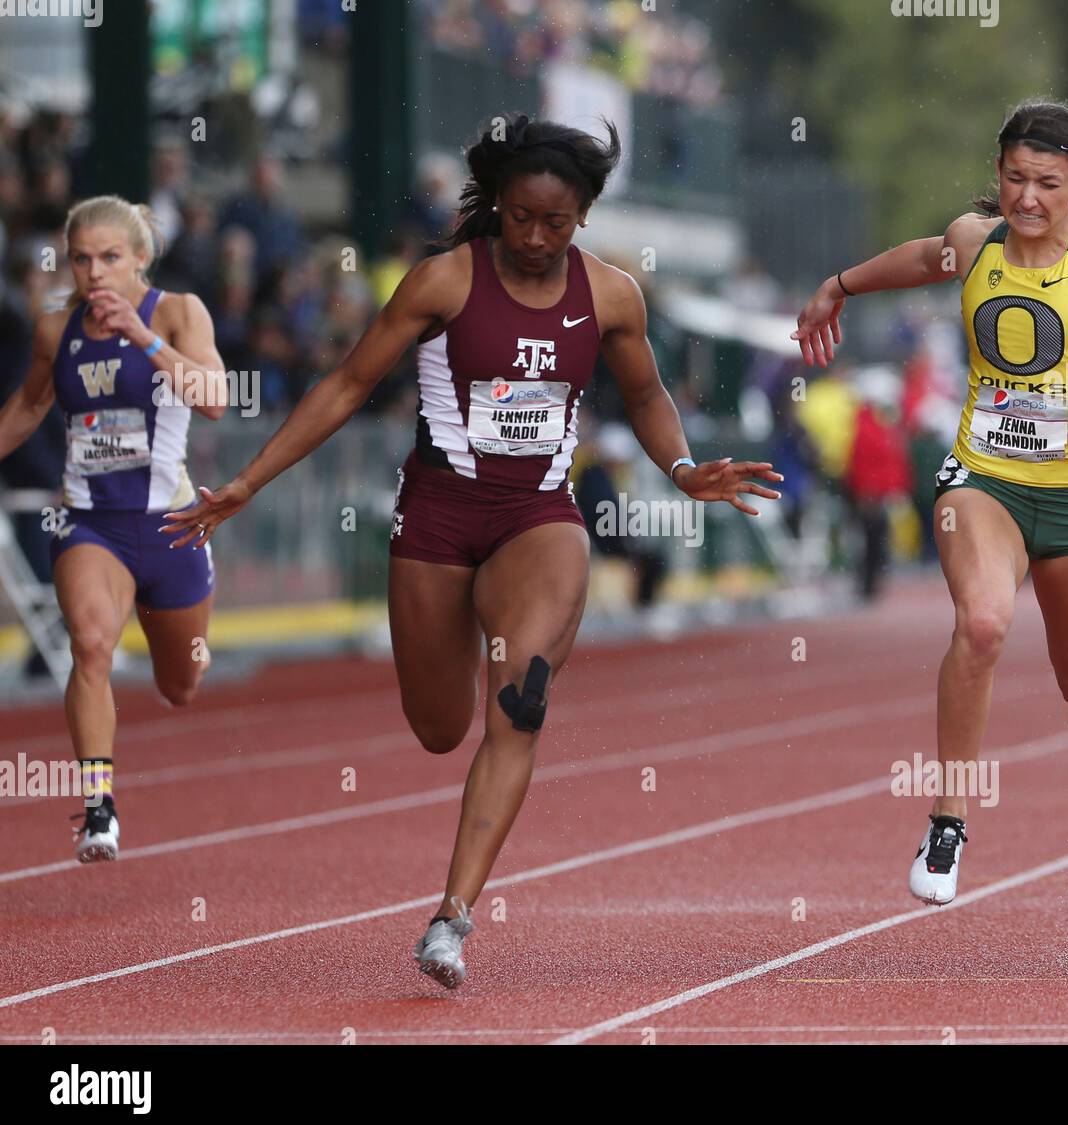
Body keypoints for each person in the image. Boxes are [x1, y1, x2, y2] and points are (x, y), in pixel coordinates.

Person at [163, 114, 782, 987]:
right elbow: (346, 383)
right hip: (437, 518)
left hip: (539, 516)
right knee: (439, 727)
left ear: (583, 220)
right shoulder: (443, 283)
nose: (534, 238)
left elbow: (644, 395)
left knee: (520, 699)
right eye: (521, 216)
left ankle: (451, 918)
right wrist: (248, 480)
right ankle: (450, 826)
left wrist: (681, 466)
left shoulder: (609, 296)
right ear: (496, 204)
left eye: (555, 224)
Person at [792, 99, 1068, 905]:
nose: (1028, 198)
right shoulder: (975, 241)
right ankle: (949, 821)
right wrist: (838, 286)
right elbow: (925, 257)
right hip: (983, 480)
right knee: (983, 623)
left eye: (1048, 183)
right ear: (997, 175)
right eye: (1015, 178)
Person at [0, 194, 228, 861]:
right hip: (90, 523)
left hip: (171, 527)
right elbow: (25, 409)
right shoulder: (55, 331)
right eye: (80, 259)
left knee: (179, 686)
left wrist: (143, 338)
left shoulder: (180, 313)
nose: (94, 273)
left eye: (109, 258)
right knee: (92, 644)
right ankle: (99, 808)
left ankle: (189, 650)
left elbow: (215, 400)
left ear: (139, 259)